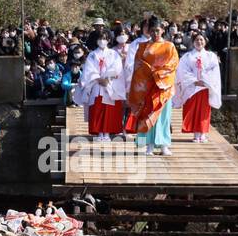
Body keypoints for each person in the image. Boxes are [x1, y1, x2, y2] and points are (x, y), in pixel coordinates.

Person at [126, 16, 179, 156]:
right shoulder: (143, 46)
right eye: (152, 31)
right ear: (149, 31)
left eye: (157, 30)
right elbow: (138, 65)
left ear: (162, 30)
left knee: (164, 117)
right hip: (147, 85)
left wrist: (158, 74)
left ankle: (163, 145)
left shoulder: (170, 46)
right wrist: (149, 73)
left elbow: (173, 64)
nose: (155, 33)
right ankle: (148, 145)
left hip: (163, 87)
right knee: (147, 115)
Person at [173, 32, 222, 142]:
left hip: (205, 87)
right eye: (197, 40)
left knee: (204, 111)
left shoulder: (211, 56)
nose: (199, 42)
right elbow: (183, 71)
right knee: (192, 110)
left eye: (201, 40)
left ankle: (203, 133)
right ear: (193, 42)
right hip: (192, 87)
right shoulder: (187, 56)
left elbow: (214, 71)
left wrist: (204, 80)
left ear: (205, 41)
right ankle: (196, 133)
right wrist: (194, 81)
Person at [77, 34, 124, 140]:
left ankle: (107, 132)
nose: (102, 41)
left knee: (108, 109)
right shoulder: (92, 55)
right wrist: (98, 78)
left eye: (104, 38)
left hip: (109, 83)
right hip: (96, 83)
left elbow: (117, 67)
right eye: (100, 38)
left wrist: (107, 78)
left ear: (108, 40)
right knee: (97, 107)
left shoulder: (113, 53)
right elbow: (89, 69)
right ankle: (99, 132)